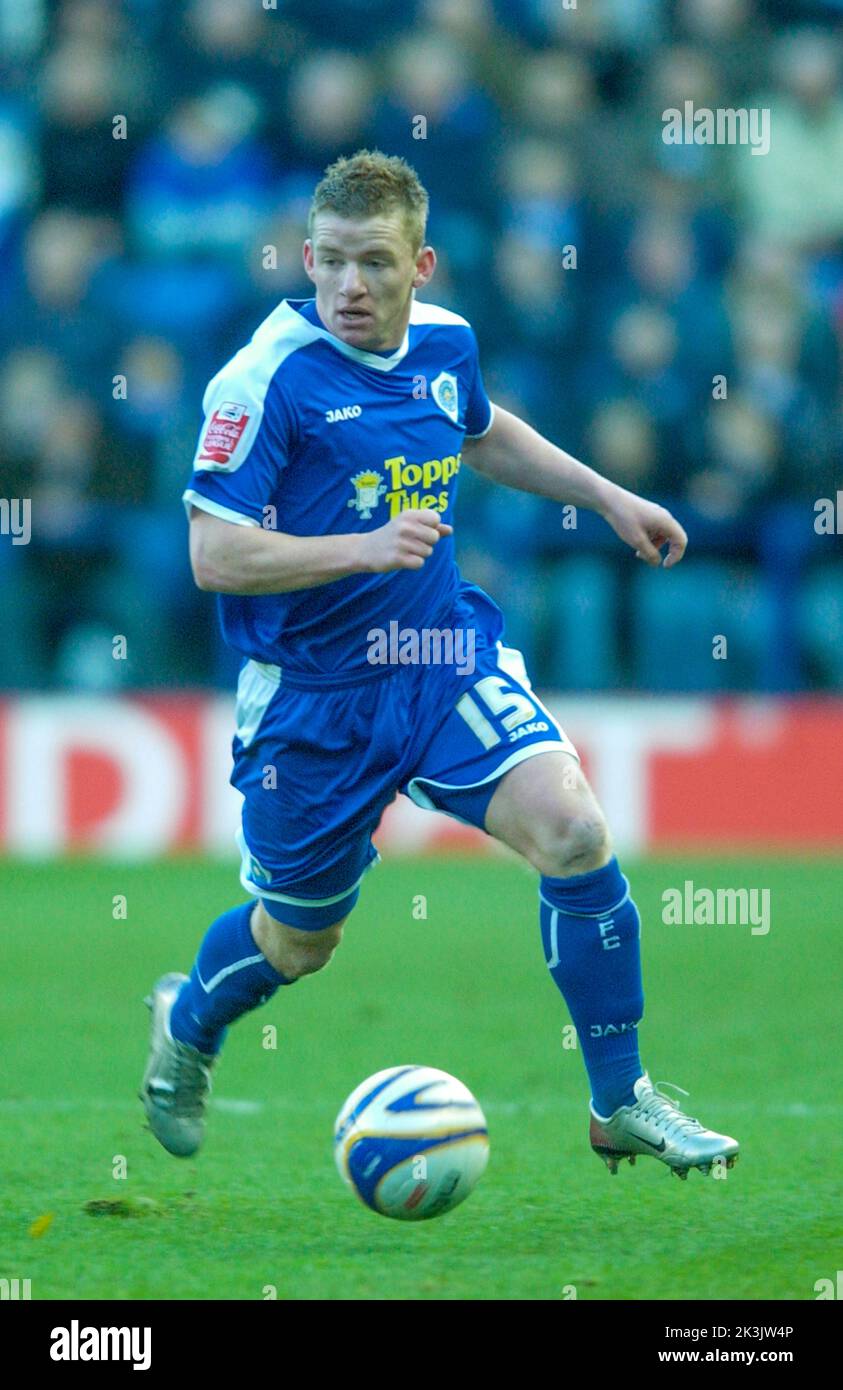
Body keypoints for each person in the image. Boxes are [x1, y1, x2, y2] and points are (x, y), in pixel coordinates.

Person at [141, 150, 738, 1180]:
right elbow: (213, 554)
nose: (349, 285)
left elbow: (482, 431)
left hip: (437, 656)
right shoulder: (263, 379)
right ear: (307, 259)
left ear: (420, 266)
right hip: (312, 702)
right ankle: (187, 1022)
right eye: (330, 261)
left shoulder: (447, 340)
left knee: (573, 830)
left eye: (374, 262)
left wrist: (606, 496)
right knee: (299, 942)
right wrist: (361, 548)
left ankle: (619, 1099)